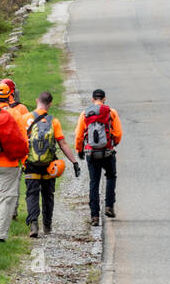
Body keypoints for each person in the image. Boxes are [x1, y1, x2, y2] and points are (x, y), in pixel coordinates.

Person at [22, 91, 80, 238]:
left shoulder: (25, 119)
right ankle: (47, 226)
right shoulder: (54, 122)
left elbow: (20, 142)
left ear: (37, 100)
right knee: (48, 195)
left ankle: (34, 224)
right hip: (49, 165)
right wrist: (74, 162)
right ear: (50, 104)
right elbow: (62, 144)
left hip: (31, 163)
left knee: (32, 194)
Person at [0, 81, 29, 242]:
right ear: (10, 96)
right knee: (6, 198)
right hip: (9, 164)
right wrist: (24, 160)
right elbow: (23, 139)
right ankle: (0, 234)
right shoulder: (15, 114)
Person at [75, 88, 123, 225]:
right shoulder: (111, 112)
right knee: (111, 176)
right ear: (104, 98)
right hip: (107, 151)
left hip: (91, 153)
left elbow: (79, 134)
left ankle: (94, 216)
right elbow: (118, 133)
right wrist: (114, 143)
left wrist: (79, 150)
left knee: (94, 182)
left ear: (92, 99)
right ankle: (109, 206)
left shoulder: (85, 113)